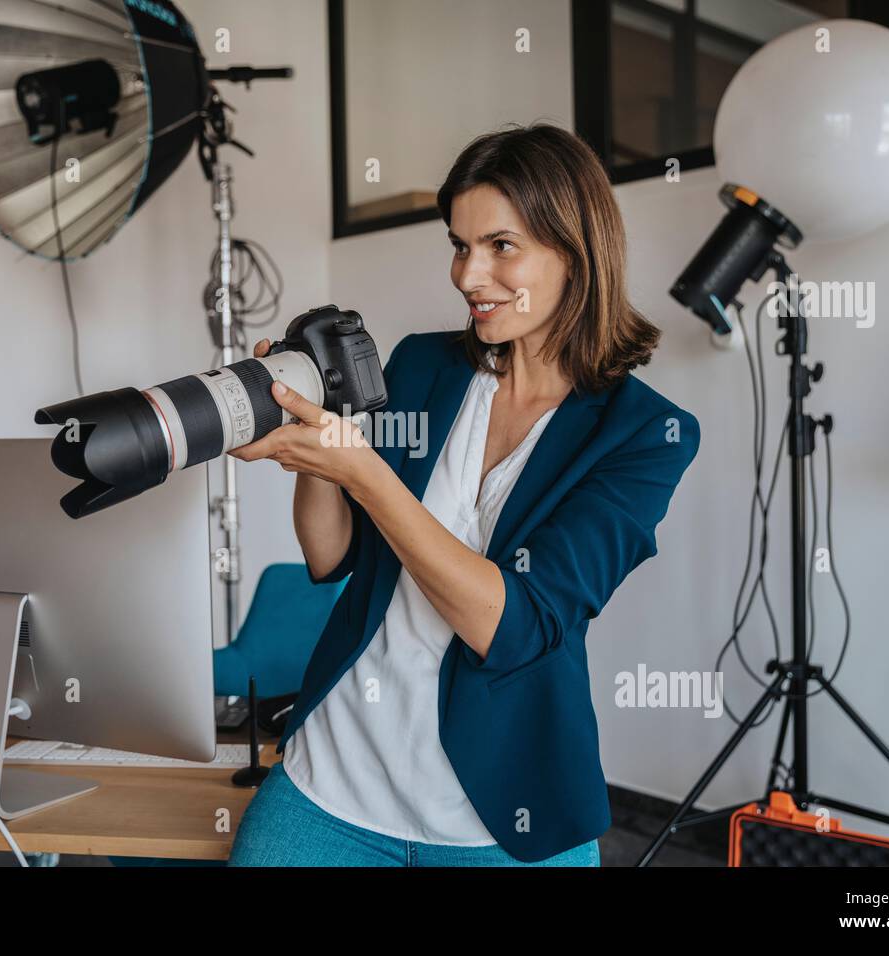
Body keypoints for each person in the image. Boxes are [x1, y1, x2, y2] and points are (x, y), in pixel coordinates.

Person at [226, 124, 700, 866]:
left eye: (501, 247)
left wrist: (366, 474)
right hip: (334, 780)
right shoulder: (422, 366)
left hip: (500, 806)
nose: (468, 276)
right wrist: (316, 445)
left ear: (576, 253)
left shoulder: (645, 435)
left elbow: (513, 627)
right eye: (459, 244)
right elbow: (332, 557)